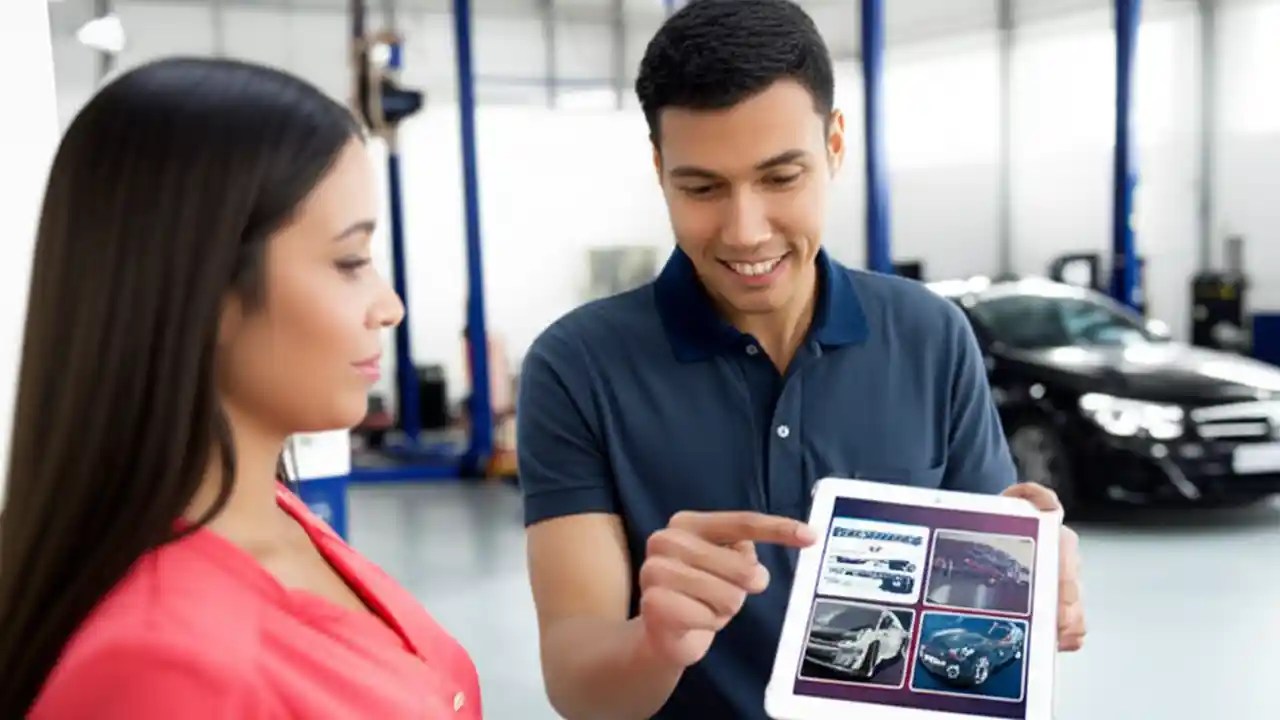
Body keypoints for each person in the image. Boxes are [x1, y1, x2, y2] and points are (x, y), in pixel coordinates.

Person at [515, 1, 1086, 718]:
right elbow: (578, 685)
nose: (746, 231)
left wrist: (1029, 587)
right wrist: (657, 641)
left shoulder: (930, 336)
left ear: (835, 145)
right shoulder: (576, 369)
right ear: (659, 170)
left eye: (781, 178)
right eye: (702, 188)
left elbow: (972, 601)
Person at [0, 57, 481, 719]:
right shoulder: (160, 673)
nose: (389, 305)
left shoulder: (275, 516)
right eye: (350, 262)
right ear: (208, 291)